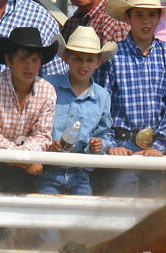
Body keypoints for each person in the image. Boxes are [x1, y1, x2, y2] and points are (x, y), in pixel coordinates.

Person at [94, 0, 166, 197]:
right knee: (120, 209)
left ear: (158, 18)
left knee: (153, 213)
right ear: (128, 18)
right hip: (122, 144)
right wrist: (111, 143)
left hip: (156, 145)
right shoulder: (112, 56)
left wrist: (160, 143)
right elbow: (101, 104)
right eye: (140, 15)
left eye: (152, 15)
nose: (146, 21)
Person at [0, 27, 58, 194]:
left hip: (29, 163)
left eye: (35, 60)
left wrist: (23, 157)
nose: (29, 67)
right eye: (23, 59)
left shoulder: (48, 91)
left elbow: (43, 136)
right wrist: (22, 159)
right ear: (9, 61)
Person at [41, 24, 114, 195]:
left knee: (81, 217)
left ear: (98, 62)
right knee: (44, 214)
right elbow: (33, 122)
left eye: (90, 60)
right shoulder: (49, 86)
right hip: (48, 167)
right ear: (67, 58)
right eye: (78, 59)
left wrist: (98, 145)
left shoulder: (103, 97)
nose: (84, 65)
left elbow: (105, 134)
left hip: (80, 173)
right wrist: (46, 145)